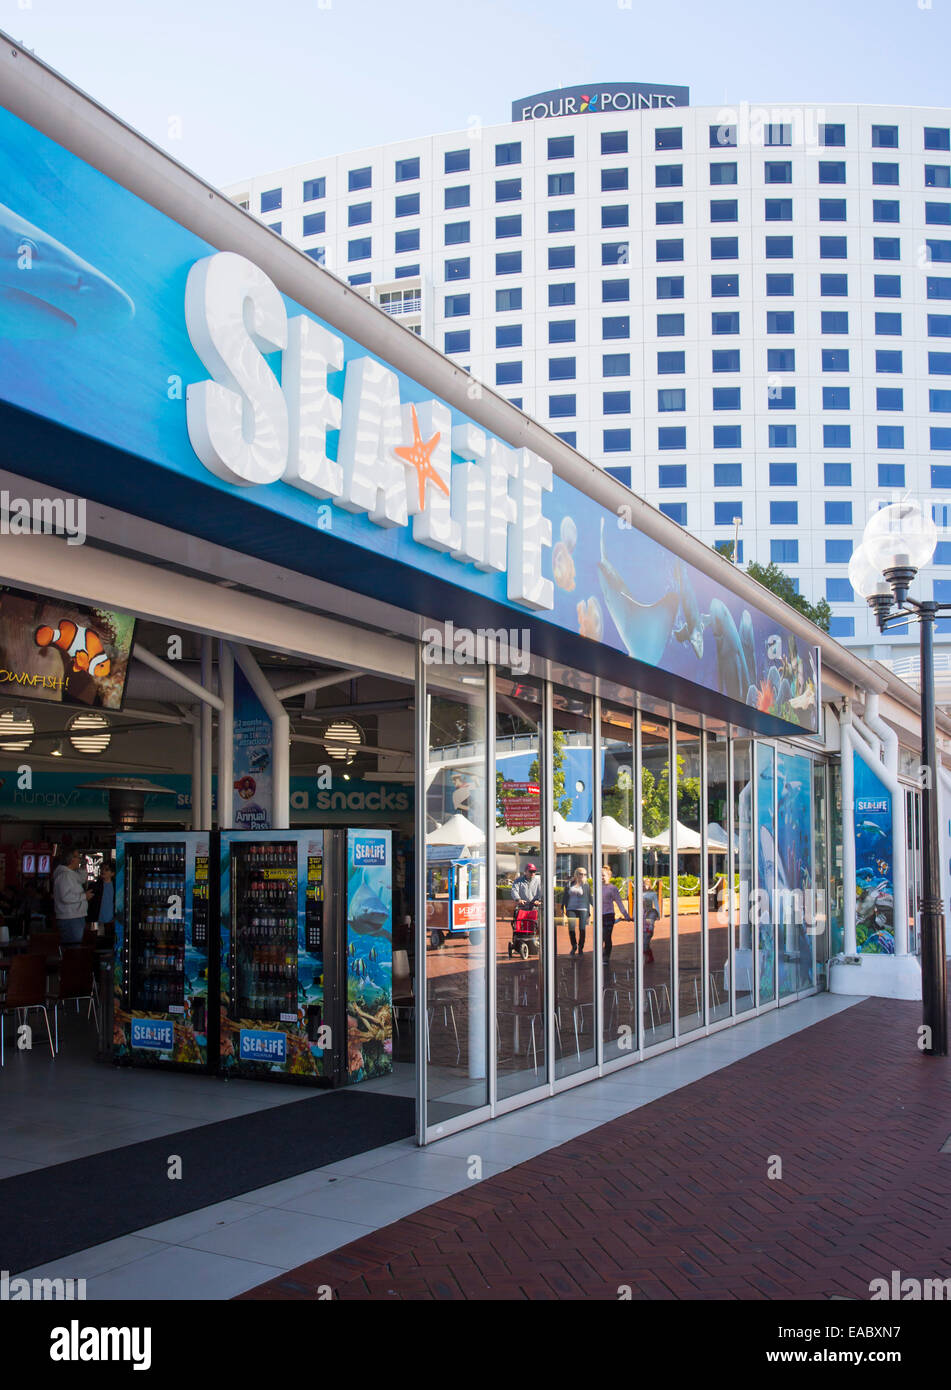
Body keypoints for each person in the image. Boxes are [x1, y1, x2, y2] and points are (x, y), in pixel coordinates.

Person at [53, 849, 92, 946]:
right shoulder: (64, 875)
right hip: (70, 918)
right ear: (71, 859)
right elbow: (65, 897)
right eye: (78, 857)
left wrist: (83, 867)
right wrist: (84, 896)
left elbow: (81, 879)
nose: (79, 859)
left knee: (75, 946)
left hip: (75, 916)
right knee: (73, 948)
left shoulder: (70, 874)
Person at [601, 865, 633, 962]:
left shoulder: (613, 888)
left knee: (607, 936)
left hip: (609, 915)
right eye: (600, 876)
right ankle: (602, 953)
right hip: (599, 916)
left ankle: (606, 956)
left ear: (609, 876)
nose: (602, 877)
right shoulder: (597, 887)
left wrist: (626, 915)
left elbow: (619, 902)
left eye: (603, 875)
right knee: (600, 937)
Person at [561, 866, 591, 954]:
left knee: (582, 928)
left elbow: (589, 898)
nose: (583, 876)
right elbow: (565, 896)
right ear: (576, 874)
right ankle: (574, 946)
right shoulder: (570, 884)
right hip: (571, 908)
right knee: (571, 928)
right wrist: (562, 907)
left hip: (583, 908)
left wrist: (596, 907)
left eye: (585, 874)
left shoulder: (586, 885)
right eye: (581, 874)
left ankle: (581, 947)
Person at [89, 861, 116, 941]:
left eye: (106, 870)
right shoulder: (94, 886)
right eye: (102, 869)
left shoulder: (117, 887)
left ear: (112, 873)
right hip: (97, 921)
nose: (103, 871)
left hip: (112, 921)